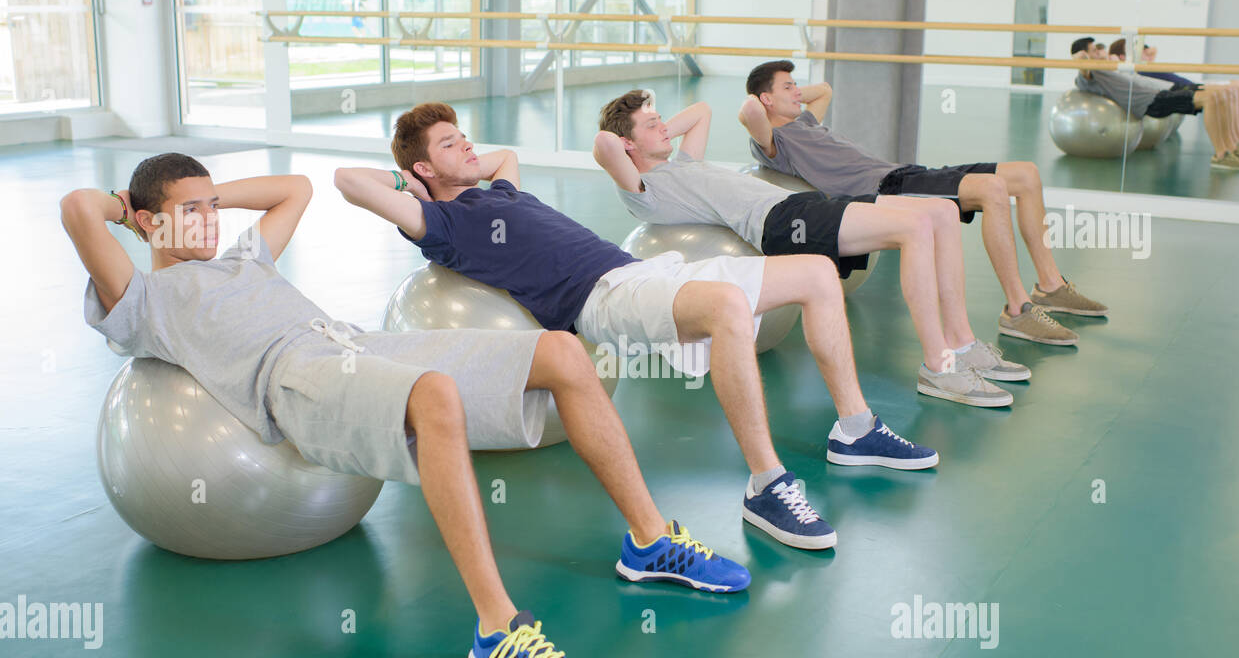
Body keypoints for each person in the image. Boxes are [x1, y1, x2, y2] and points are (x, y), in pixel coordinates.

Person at [63, 153, 750, 658]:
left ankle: (651, 541)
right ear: (150, 223)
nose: (211, 221)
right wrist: (128, 208)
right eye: (192, 212)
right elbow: (75, 209)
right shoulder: (142, 301)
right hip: (297, 379)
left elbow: (294, 188)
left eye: (215, 207)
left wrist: (200, 200)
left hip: (357, 344)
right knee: (436, 396)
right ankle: (497, 630)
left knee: (565, 354)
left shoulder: (242, 258)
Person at [338, 103, 943, 554]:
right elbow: (348, 181)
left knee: (815, 274)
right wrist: (410, 184)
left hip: (644, 271)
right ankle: (766, 483)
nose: (470, 148)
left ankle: (856, 430)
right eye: (450, 145)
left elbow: (504, 159)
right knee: (730, 308)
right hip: (601, 299)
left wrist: (450, 163)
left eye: (465, 136)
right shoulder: (439, 223)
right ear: (422, 167)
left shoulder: (496, 193)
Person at [595, 90, 1031, 407]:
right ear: (630, 144)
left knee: (939, 212)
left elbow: (703, 110)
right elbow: (605, 144)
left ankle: (962, 341)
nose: (663, 127)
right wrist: (636, 131)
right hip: (780, 225)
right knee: (916, 226)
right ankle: (940, 366)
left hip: (799, 204)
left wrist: (656, 128)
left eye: (661, 122)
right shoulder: (643, 189)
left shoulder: (681, 164)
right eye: (651, 126)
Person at [737, 59, 1107, 341]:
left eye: (797, 85)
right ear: (767, 98)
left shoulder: (803, 123)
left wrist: (791, 92)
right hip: (886, 189)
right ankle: (1017, 309)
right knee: (993, 189)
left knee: (1025, 174)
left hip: (907, 172)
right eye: (788, 87)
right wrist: (764, 96)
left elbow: (826, 91)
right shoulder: (775, 144)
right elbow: (749, 112)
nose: (799, 92)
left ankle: (1050, 286)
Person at [1070, 37, 1239, 170]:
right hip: (1153, 101)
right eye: (1094, 50)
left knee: (1224, 93)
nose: (1100, 51)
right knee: (1212, 98)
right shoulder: (1090, 75)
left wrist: (1106, 58)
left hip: (1164, 91)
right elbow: (1082, 66)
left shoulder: (1110, 67)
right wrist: (1085, 58)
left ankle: (1235, 144)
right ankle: (1222, 155)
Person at [1110, 38, 1239, 146]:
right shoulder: (1135, 70)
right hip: (1189, 89)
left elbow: (1153, 50)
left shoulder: (1144, 64)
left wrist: (1141, 49)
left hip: (1194, 85)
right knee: (1238, 87)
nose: (1146, 54)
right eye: (1139, 52)